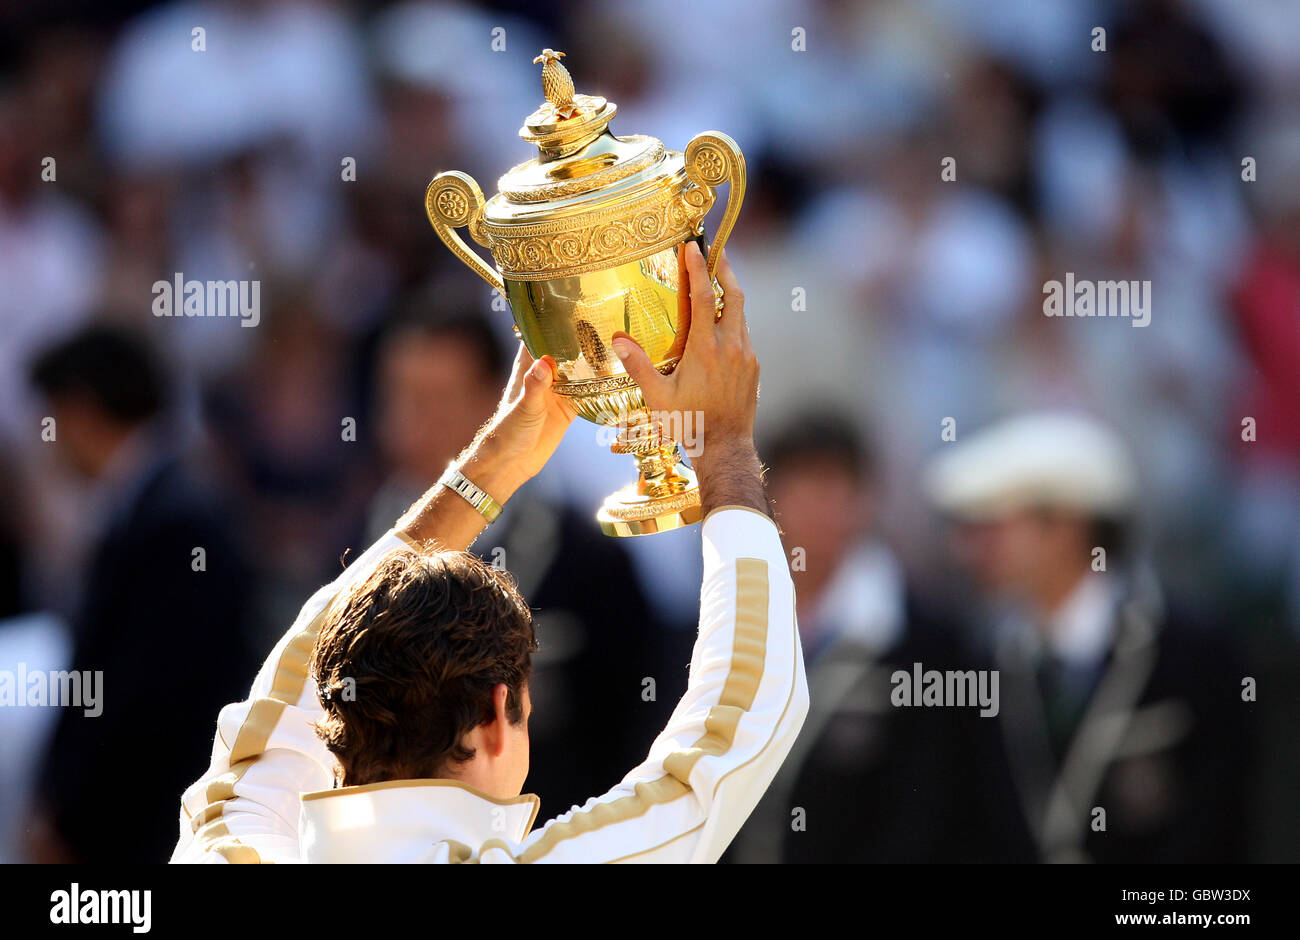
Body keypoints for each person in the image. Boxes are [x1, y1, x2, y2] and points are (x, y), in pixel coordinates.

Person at [172, 242, 810, 863]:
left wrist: (487, 470)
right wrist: (724, 446)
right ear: (498, 717)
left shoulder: (230, 845)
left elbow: (273, 717)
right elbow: (734, 733)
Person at [364, 299, 661, 815]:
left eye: (436, 399)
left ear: (491, 401)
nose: (413, 423)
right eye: (400, 396)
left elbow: (635, 726)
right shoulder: (356, 550)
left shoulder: (584, 558)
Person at [924, 412, 1248, 863]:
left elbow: (1221, 823)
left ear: (1065, 529)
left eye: (991, 528)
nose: (966, 551)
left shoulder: (1190, 651)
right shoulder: (984, 660)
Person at [28, 325, 253, 863]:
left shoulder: (173, 522)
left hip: (144, 832)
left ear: (80, 411)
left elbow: (136, 697)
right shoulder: (161, 506)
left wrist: (72, 816)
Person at [728, 411, 972, 863]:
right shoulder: (718, 620)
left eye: (836, 489)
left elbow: (925, 809)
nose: (820, 510)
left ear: (866, 503)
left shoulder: (922, 644)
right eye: (803, 488)